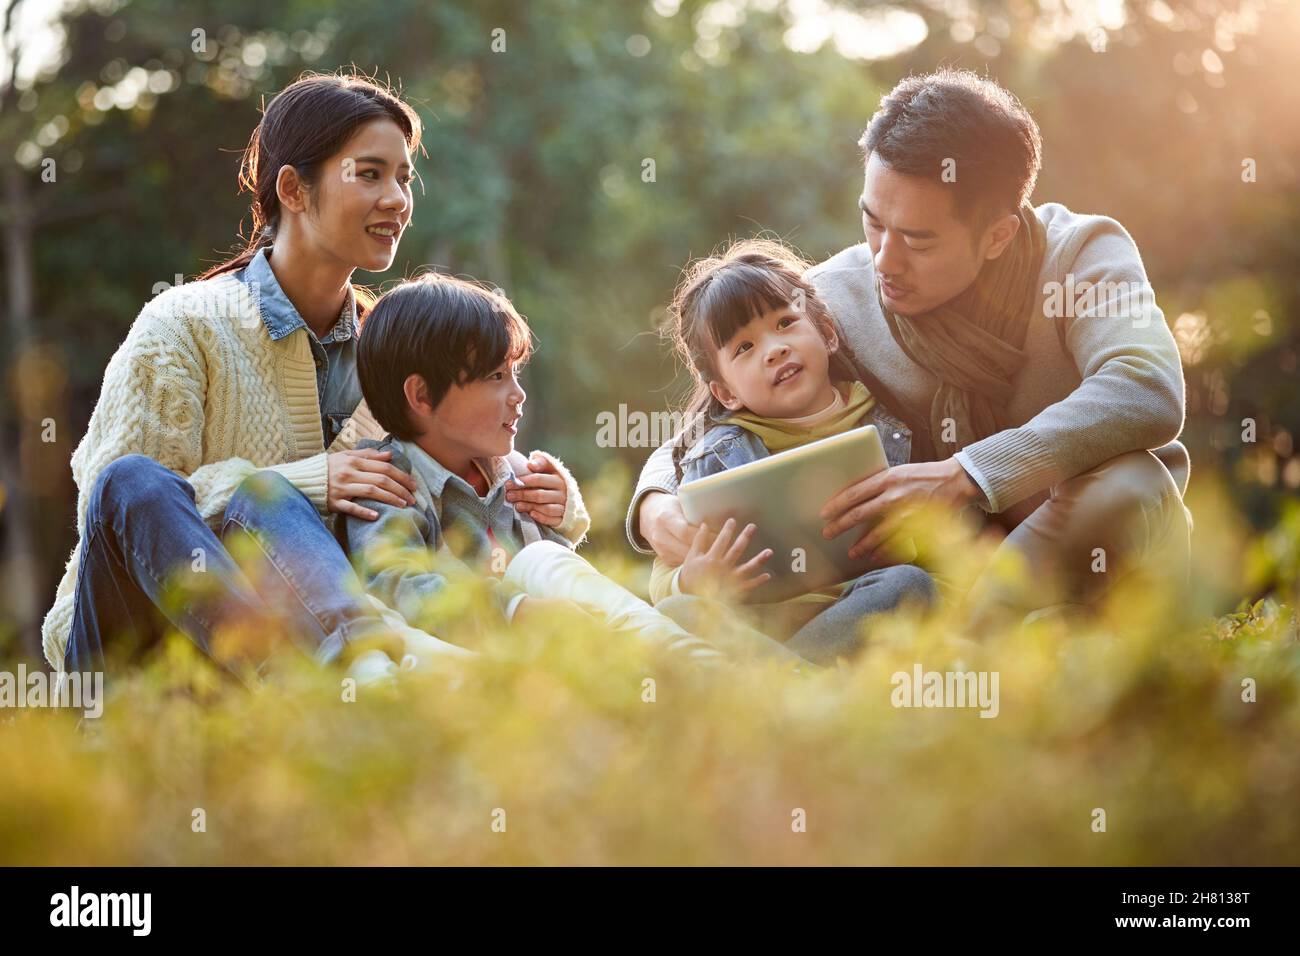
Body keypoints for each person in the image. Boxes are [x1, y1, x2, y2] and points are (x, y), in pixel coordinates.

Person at [45, 72, 587, 681]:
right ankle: (314, 690)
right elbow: (117, 509)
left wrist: (551, 496)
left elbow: (443, 482)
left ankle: (336, 689)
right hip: (138, 647)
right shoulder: (184, 323)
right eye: (370, 173)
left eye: (404, 178)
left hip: (315, 646)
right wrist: (303, 481)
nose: (398, 199)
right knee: (134, 479)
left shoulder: (394, 349)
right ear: (293, 190)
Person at [629, 69, 1192, 627]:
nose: (884, 261)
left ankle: (971, 640)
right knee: (911, 592)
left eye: (919, 240)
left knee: (1131, 483)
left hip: (1071, 548)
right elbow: (713, 419)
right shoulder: (831, 300)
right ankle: (986, 642)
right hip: (929, 578)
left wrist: (966, 475)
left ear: (998, 234)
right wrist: (656, 507)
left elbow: (1146, 387)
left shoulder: (1082, 256)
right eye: (872, 223)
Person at [346, 273, 801, 665]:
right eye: (495, 377)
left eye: (515, 373)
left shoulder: (518, 475)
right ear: (422, 396)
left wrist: (561, 519)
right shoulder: (386, 482)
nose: (517, 394)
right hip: (485, 659)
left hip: (568, 648)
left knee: (561, 568)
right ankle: (702, 668)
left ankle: (736, 672)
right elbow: (395, 583)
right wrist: (513, 609)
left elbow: (572, 578)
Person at [646, 238, 936, 664]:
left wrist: (917, 530)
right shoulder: (717, 455)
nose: (774, 349)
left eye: (785, 323)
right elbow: (666, 574)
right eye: (744, 348)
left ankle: (775, 687)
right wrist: (691, 579)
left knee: (910, 583)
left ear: (828, 333)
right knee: (677, 611)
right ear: (725, 393)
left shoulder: (891, 425)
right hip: (758, 622)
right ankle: (795, 681)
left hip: (856, 606)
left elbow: (944, 533)